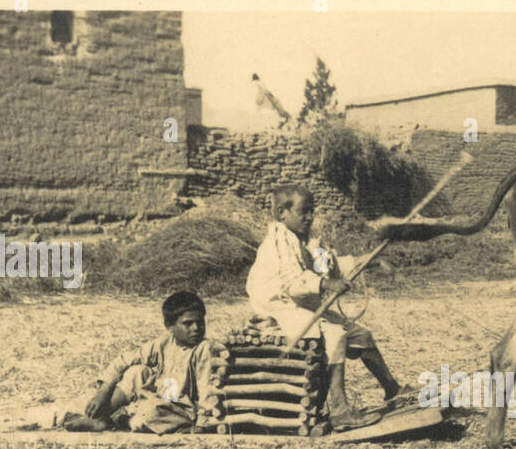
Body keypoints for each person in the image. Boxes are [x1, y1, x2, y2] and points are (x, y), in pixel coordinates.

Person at [245, 184, 412, 430]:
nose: (310, 217)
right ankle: (340, 410)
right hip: (280, 309)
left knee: (362, 336)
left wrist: (365, 261)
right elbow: (292, 284)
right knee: (336, 334)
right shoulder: (276, 244)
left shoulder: (309, 242)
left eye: (312, 211)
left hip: (303, 305)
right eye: (304, 211)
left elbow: (330, 266)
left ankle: (392, 390)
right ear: (282, 213)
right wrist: (325, 284)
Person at [59, 290, 220, 433]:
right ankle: (102, 415)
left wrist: (202, 423)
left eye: (200, 322)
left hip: (182, 409)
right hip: (159, 399)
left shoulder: (204, 348)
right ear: (170, 327)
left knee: (146, 416)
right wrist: (103, 392)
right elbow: (123, 360)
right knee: (136, 372)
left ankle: (114, 420)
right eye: (188, 323)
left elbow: (207, 387)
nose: (196, 328)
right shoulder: (163, 344)